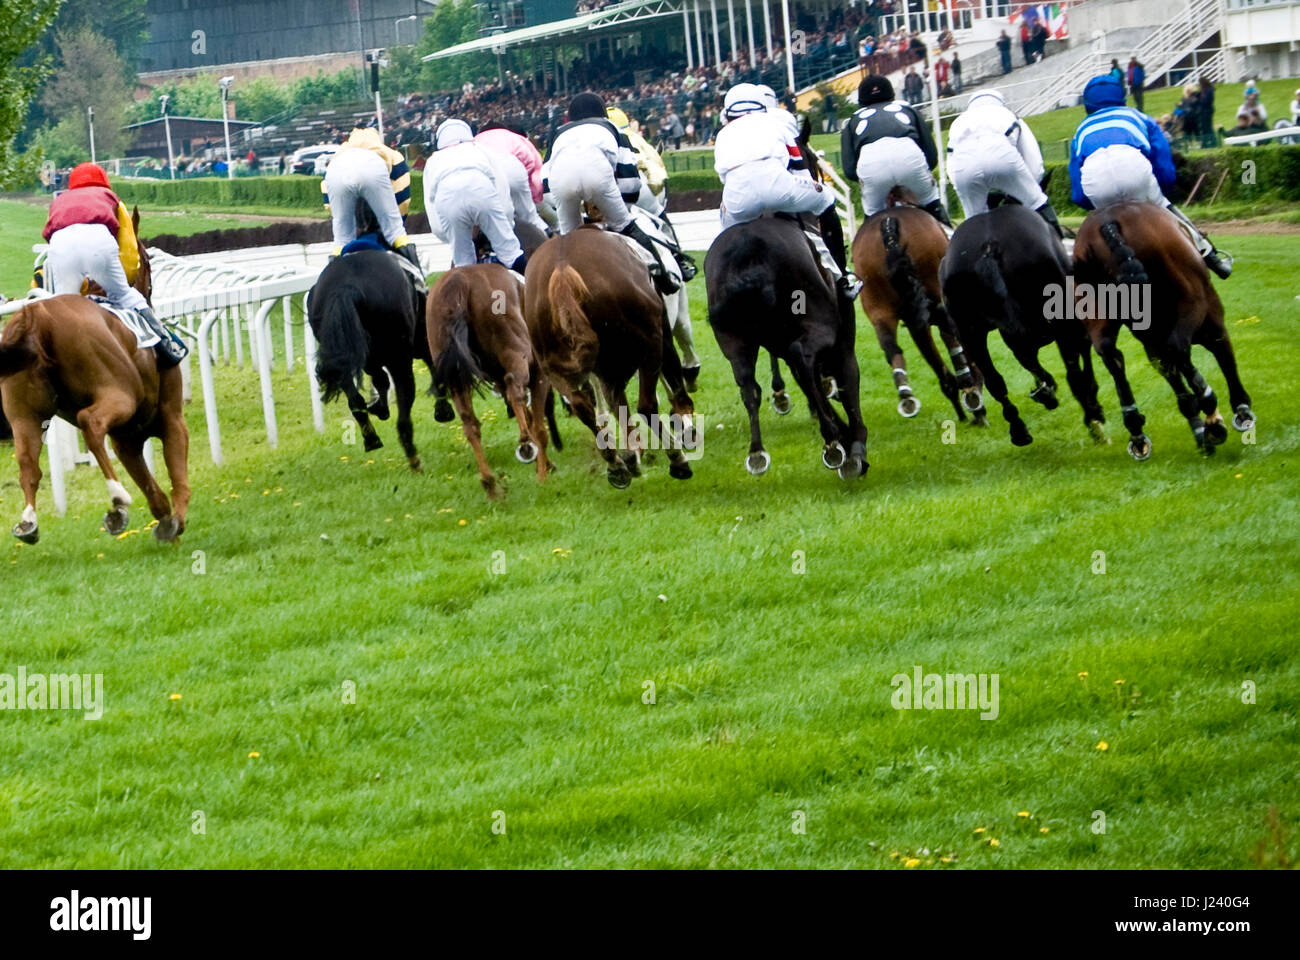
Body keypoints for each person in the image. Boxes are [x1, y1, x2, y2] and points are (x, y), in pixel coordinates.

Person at [1069, 73, 1232, 279]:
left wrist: (1094, 207)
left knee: (1099, 225)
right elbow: (1163, 163)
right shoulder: (1139, 117)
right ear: (1122, 99)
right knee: (1164, 206)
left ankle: (1078, 281)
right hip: (1134, 169)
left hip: (1096, 182)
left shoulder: (1079, 132)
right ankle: (1211, 256)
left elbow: (1077, 192)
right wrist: (1162, 192)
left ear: (1087, 105)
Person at [714, 83, 861, 302]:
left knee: (725, 239)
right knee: (826, 200)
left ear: (728, 111)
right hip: (779, 188)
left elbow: (725, 177)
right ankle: (842, 274)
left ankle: (722, 285)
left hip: (738, 200)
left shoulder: (722, 135)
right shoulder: (775, 124)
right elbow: (799, 166)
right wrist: (808, 189)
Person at [41, 162, 187, 367]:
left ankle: (49, 360)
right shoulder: (109, 198)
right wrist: (121, 281)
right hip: (98, 240)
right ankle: (166, 346)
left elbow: (52, 237)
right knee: (125, 295)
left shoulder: (59, 200)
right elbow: (128, 248)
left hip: (60, 244)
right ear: (104, 182)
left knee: (63, 305)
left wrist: (80, 283)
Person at [545, 91, 681, 293]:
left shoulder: (557, 132)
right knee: (626, 225)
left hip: (559, 185)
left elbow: (544, 182)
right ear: (603, 113)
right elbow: (630, 182)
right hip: (599, 180)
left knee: (568, 242)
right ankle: (665, 279)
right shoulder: (612, 128)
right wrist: (619, 212)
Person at [947, 89, 1064, 237]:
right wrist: (1030, 188)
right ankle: (1060, 247)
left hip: (963, 169)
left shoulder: (958, 122)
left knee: (974, 223)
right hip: (1002, 157)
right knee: (1037, 201)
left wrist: (963, 189)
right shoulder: (1009, 115)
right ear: (1000, 103)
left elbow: (951, 166)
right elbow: (1034, 162)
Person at [841, 74, 949, 227]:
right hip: (909, 156)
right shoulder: (907, 108)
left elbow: (849, 170)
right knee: (932, 202)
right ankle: (950, 239)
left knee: (870, 219)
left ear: (861, 100)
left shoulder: (852, 120)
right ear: (891, 94)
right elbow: (931, 155)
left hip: (871, 165)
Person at [423, 119, 525, 275]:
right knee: (510, 252)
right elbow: (501, 187)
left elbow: (431, 206)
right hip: (482, 191)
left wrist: (447, 235)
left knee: (463, 263)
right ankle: (532, 290)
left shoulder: (432, 160)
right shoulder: (481, 150)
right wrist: (506, 222)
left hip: (447, 201)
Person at [320, 121, 418, 271]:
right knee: (395, 231)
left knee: (342, 239)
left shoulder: (337, 155)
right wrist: (397, 222)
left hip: (337, 170)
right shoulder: (391, 154)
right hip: (373, 166)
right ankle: (418, 281)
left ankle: (327, 279)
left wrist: (346, 221)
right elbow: (402, 198)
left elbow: (329, 203)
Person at [473, 123, 552, 236]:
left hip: (485, 171)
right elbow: (534, 163)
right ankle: (547, 239)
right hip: (513, 166)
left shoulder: (474, 141)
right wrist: (535, 197)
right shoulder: (515, 137)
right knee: (531, 217)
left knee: (492, 218)